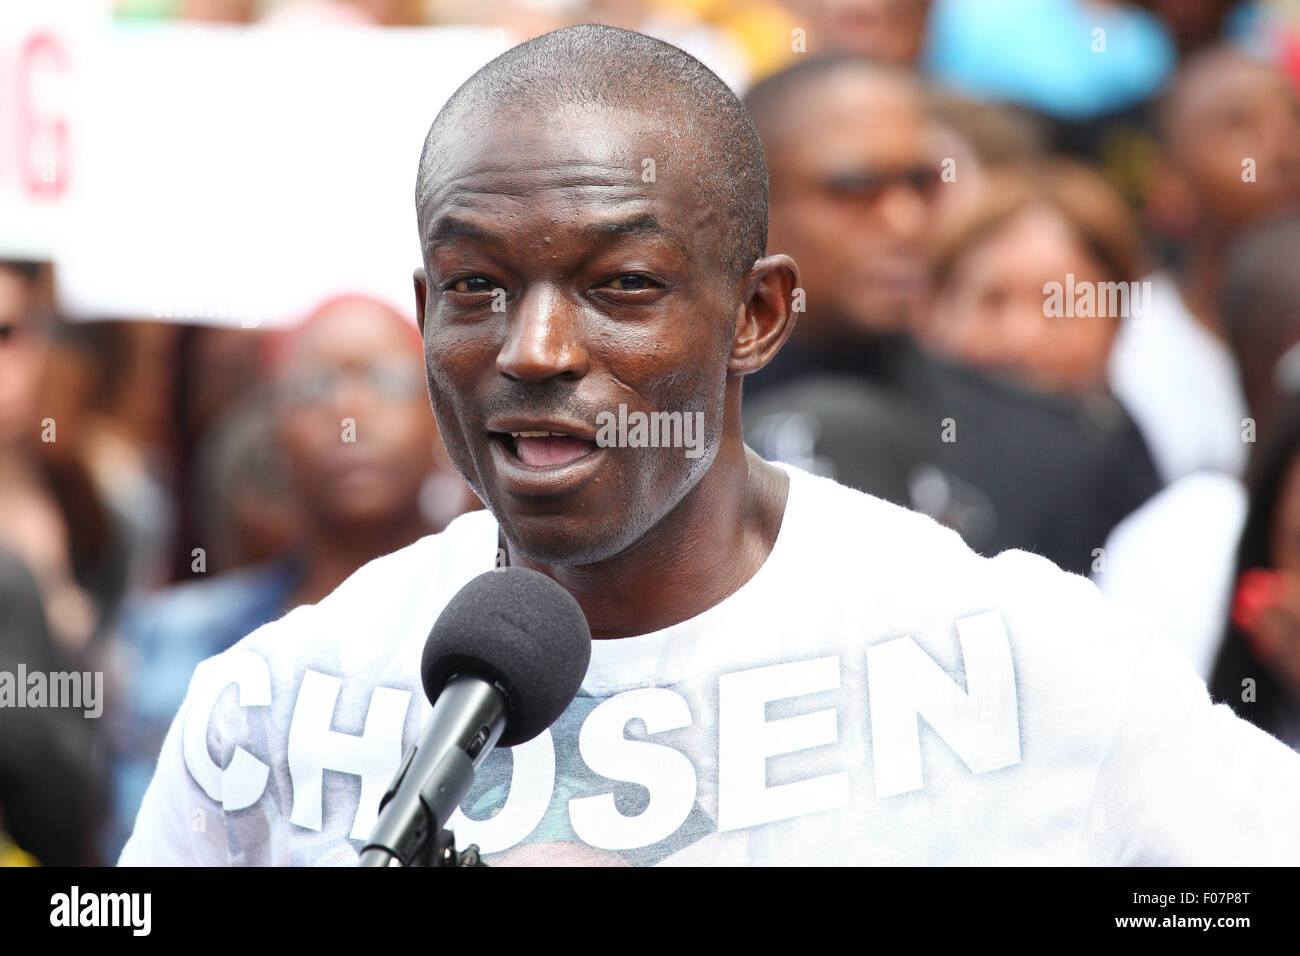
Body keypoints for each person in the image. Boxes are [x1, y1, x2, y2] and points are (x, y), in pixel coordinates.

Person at [122, 24, 1300, 866]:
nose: (532, 347)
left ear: (755, 315)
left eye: (621, 284)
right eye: (476, 285)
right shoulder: (277, 707)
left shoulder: (1014, 665)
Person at [742, 55, 1159, 573]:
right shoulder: (658, 433)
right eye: (853, 187)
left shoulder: (1057, 450)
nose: (905, 219)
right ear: (748, 200)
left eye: (921, 184)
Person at [107, 293, 477, 858]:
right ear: (273, 426)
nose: (350, 410)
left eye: (387, 379)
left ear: (439, 413)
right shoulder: (174, 637)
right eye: (314, 386)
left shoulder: (496, 642)